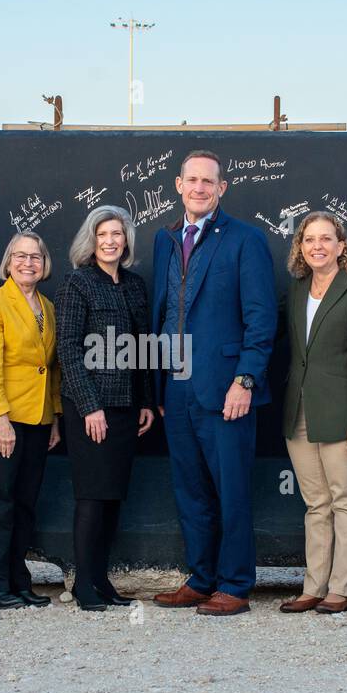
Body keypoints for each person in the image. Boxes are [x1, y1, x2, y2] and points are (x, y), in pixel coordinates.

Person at [151, 150, 277, 617]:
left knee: (231, 490)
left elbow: (261, 319)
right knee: (191, 490)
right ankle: (201, 578)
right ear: (178, 186)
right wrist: (160, 386)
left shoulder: (246, 239)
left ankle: (236, 584)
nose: (200, 188)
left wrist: (245, 379)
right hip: (177, 388)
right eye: (192, 180)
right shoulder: (164, 241)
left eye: (209, 181)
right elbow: (163, 311)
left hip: (227, 389)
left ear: (222, 188)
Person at [278, 212, 347, 614]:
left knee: (346, 500)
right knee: (316, 504)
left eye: (326, 239)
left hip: (344, 416)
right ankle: (314, 586)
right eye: (309, 239)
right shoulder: (297, 291)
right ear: (300, 247)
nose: (317, 246)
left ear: (341, 246)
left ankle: (343, 588)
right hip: (299, 412)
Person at [55, 205, 155, 611]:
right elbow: (68, 349)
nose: (111, 241)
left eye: (117, 234)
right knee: (93, 496)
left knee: (113, 497)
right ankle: (83, 586)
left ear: (126, 240)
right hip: (90, 408)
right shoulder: (77, 284)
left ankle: (101, 580)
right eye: (103, 234)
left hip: (127, 407)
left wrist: (147, 400)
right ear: (91, 240)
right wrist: (89, 406)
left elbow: (144, 346)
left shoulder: (134, 285)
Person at [0, 231, 61, 608]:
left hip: (37, 417)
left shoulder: (48, 308)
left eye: (35, 257)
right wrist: (0, 421)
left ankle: (18, 581)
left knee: (24, 502)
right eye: (20, 256)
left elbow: (50, 369)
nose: (27, 263)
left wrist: (54, 417)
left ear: (44, 263)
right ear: (7, 262)